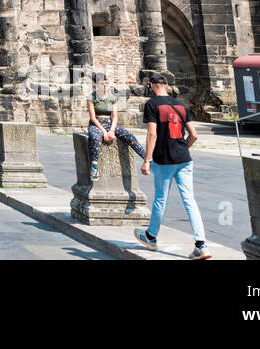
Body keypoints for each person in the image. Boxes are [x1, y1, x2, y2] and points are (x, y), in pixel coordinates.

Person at [133, 75, 210, 260]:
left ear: (151, 86)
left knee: (161, 199)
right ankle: (201, 245)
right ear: (167, 86)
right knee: (190, 201)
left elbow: (152, 134)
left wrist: (146, 160)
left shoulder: (152, 105)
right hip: (184, 159)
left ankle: (151, 237)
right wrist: (182, 148)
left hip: (164, 160)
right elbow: (194, 134)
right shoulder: (181, 105)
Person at [87, 74, 145, 181]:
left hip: (110, 122)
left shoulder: (112, 97)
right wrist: (104, 132)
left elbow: (114, 117)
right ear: (97, 85)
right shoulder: (91, 97)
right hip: (97, 123)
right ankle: (94, 167)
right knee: (95, 137)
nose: (105, 85)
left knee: (128, 135)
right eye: (102, 83)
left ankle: (146, 157)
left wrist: (112, 130)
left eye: (106, 83)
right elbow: (93, 118)